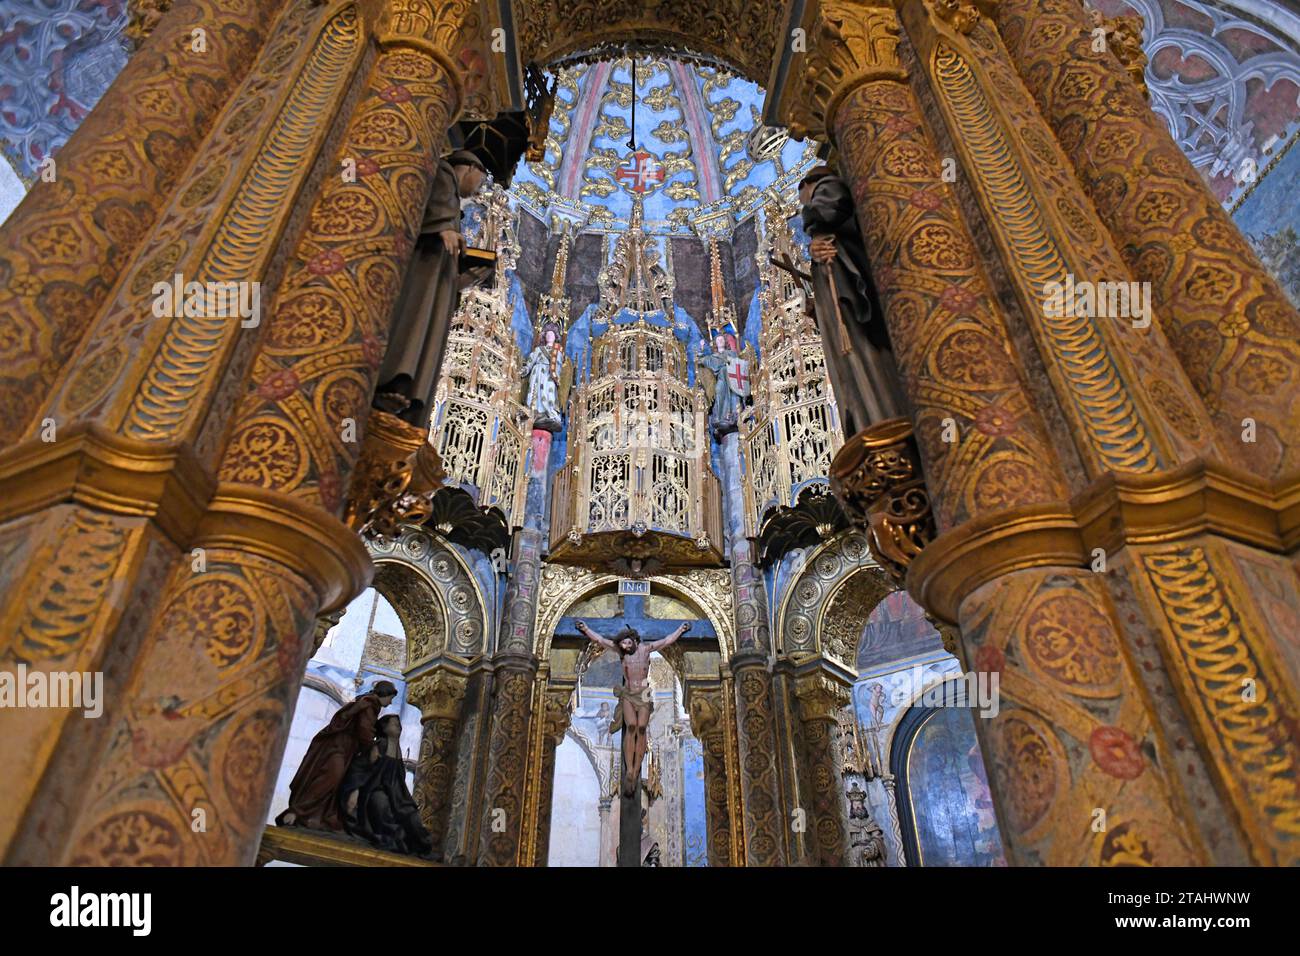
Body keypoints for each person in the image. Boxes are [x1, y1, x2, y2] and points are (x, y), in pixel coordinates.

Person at [374, 149, 488, 426]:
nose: (477, 191)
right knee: (413, 324)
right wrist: (441, 227)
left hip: (436, 280)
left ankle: (409, 390)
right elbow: (419, 209)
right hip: (422, 273)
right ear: (470, 168)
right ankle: (395, 380)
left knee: (425, 329)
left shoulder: (450, 197)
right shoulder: (443, 174)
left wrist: (467, 277)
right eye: (481, 182)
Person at [798, 165, 908, 436]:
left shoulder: (828, 189)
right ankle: (867, 421)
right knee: (854, 376)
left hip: (856, 317)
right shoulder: (824, 237)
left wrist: (814, 232)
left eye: (803, 197)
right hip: (845, 321)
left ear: (808, 186)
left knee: (866, 369)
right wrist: (817, 313)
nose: (804, 203)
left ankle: (878, 419)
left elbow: (826, 211)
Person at [576, 620, 690, 797]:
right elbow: (600, 640)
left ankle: (636, 769)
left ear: (635, 641)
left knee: (642, 729)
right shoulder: (622, 654)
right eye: (622, 644)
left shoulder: (646, 649)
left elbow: (667, 641)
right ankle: (629, 769)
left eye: (628, 643)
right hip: (629, 694)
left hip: (644, 694)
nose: (625, 646)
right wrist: (585, 629)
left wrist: (681, 630)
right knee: (631, 727)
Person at [275, 680, 398, 831]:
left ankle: (316, 816)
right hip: (339, 745)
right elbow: (364, 729)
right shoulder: (369, 704)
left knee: (335, 780)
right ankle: (297, 812)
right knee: (330, 777)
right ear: (384, 694)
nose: (391, 702)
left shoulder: (366, 702)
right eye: (390, 698)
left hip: (345, 747)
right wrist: (372, 748)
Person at [339, 714, 434, 857]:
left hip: (396, 793)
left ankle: (422, 849)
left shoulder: (397, 749)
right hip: (375, 789)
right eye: (394, 724)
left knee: (412, 816)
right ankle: (392, 843)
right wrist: (355, 790)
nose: (399, 727)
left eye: (399, 725)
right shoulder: (380, 745)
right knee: (382, 806)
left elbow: (398, 777)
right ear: (384, 728)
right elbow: (360, 767)